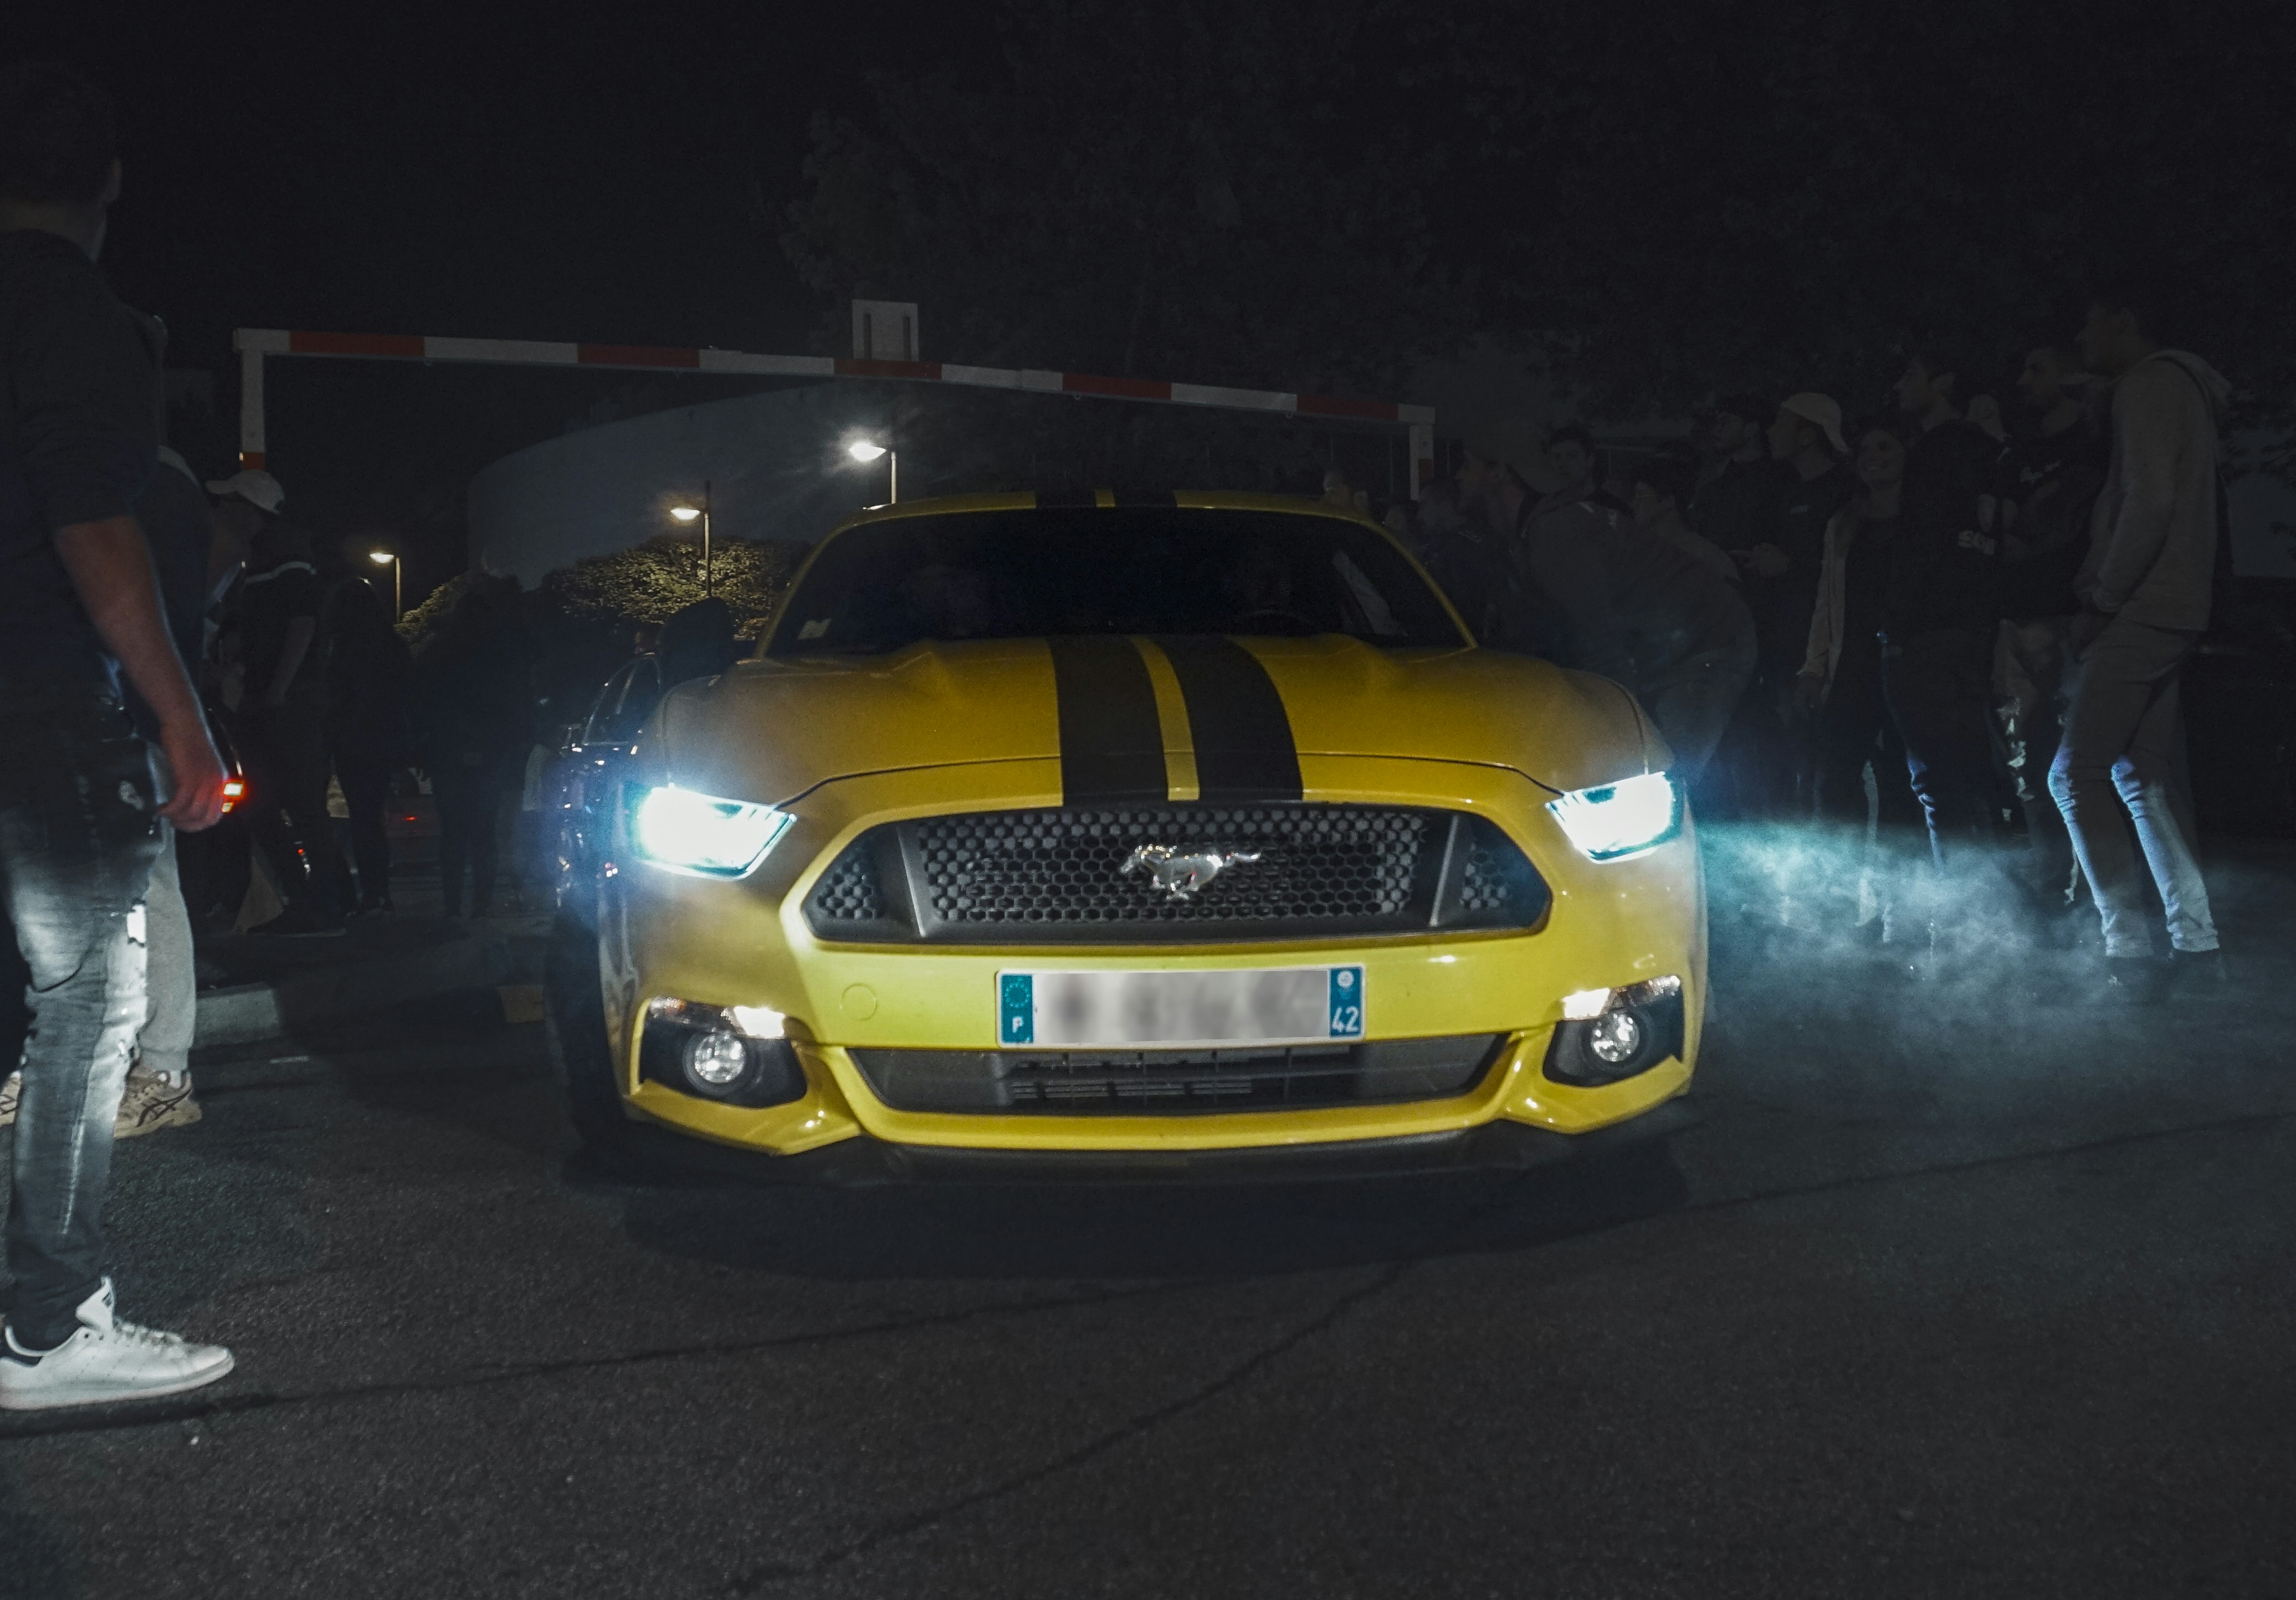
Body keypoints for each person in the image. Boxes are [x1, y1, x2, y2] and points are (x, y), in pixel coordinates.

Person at [0, 59, 234, 1411]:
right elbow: (96, 530)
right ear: (109, 183)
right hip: (38, 697)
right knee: (87, 1008)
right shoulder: (74, 317)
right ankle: (52, 1322)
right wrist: (183, 724)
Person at [2049, 275, 2227, 992]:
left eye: (2092, 325)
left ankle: (2126, 954)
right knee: (2140, 779)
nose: (2084, 342)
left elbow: (2148, 499)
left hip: (2144, 604)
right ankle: (2197, 950)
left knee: (2074, 774)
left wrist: (2103, 592)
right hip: (2178, 605)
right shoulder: (2188, 390)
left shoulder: (2148, 385)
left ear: (2125, 321)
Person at [1459, 418, 1756, 782]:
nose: (1460, 476)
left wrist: (1620, 734)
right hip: (1678, 646)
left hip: (1707, 647)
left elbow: (1600, 643)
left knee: (1662, 780)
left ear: (1499, 473)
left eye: (1468, 465)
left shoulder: (1555, 535)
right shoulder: (1544, 527)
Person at [1880, 343, 2006, 878]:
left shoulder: (1934, 453)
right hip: (1972, 627)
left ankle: (1963, 899)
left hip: (1931, 633)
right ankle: (2006, 889)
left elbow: (1922, 548)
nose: (1900, 385)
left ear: (1944, 383)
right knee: (1979, 768)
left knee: (1936, 776)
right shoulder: (1987, 453)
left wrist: (1900, 626)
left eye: (1911, 372)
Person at [1797, 423, 1928, 932]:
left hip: (1904, 664)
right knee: (1834, 784)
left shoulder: (1921, 520)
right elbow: (1826, 604)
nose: (1875, 456)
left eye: (1886, 444)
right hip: (1851, 667)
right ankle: (1837, 904)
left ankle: (1899, 915)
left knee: (1901, 787)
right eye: (1867, 448)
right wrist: (1813, 666)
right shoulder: (1845, 524)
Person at [1994, 344, 2104, 917]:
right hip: (2019, 619)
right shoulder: (2022, 453)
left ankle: (2094, 893)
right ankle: (2051, 892)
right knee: (2028, 764)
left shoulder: (2095, 444)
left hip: (2071, 621)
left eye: (2037, 366)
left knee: (2081, 763)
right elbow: (2006, 530)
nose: (2024, 379)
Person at [212, 471, 341, 935]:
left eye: (231, 503)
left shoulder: (288, 557)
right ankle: (312, 905)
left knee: (301, 803)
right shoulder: (258, 561)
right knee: (264, 804)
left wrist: (280, 687)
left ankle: (326, 907)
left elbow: (302, 622)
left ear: (252, 510)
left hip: (289, 698)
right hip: (269, 696)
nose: (222, 512)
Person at [412, 582, 532, 920]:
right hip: (492, 752)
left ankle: (453, 905)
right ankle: (481, 903)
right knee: (485, 830)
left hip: (447, 751)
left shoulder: (438, 653)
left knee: (453, 831)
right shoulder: (503, 655)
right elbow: (517, 707)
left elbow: (419, 702)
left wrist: (423, 749)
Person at [318, 536, 412, 916]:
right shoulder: (390, 646)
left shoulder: (340, 650)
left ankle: (353, 892)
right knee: (370, 817)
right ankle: (378, 891)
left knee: (352, 817)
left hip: (350, 739)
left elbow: (338, 694)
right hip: (382, 739)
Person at [1628, 448, 1740, 584]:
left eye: (1641, 497)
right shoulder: (1641, 553)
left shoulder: (1704, 556)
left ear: (1668, 501)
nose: (1633, 505)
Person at [1545, 424, 1629, 514]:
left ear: (1590, 460)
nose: (1562, 464)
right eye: (1556, 457)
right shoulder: (1547, 506)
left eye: (1572, 456)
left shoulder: (1613, 508)